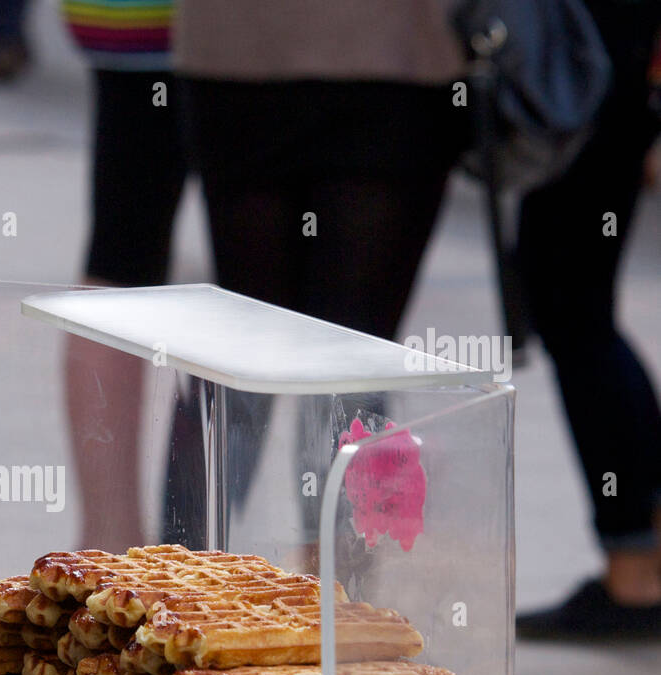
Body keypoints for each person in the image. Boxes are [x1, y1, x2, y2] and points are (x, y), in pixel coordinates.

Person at [164, 1, 469, 548]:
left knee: (238, 345)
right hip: (394, 54)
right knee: (353, 359)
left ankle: (170, 586)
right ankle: (339, 605)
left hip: (243, 54)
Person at [515, 2, 661, 639]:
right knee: (578, 311)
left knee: (575, 313)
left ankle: (634, 572)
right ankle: (640, 551)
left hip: (588, 84)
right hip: (604, 79)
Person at [60, 0, 186, 550]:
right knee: (258, 296)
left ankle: (112, 554)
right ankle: (187, 567)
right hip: (238, 39)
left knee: (120, 256)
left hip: (126, 22)